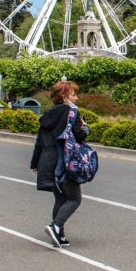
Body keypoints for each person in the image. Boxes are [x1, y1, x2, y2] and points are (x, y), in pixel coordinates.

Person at [30, 80, 88, 248]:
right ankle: (55, 226)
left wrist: (35, 163)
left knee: (60, 198)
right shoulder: (71, 113)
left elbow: (39, 142)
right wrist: (85, 128)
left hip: (47, 160)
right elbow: (79, 136)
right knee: (75, 199)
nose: (76, 98)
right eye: (73, 94)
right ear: (64, 96)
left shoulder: (47, 115)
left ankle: (59, 236)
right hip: (65, 160)